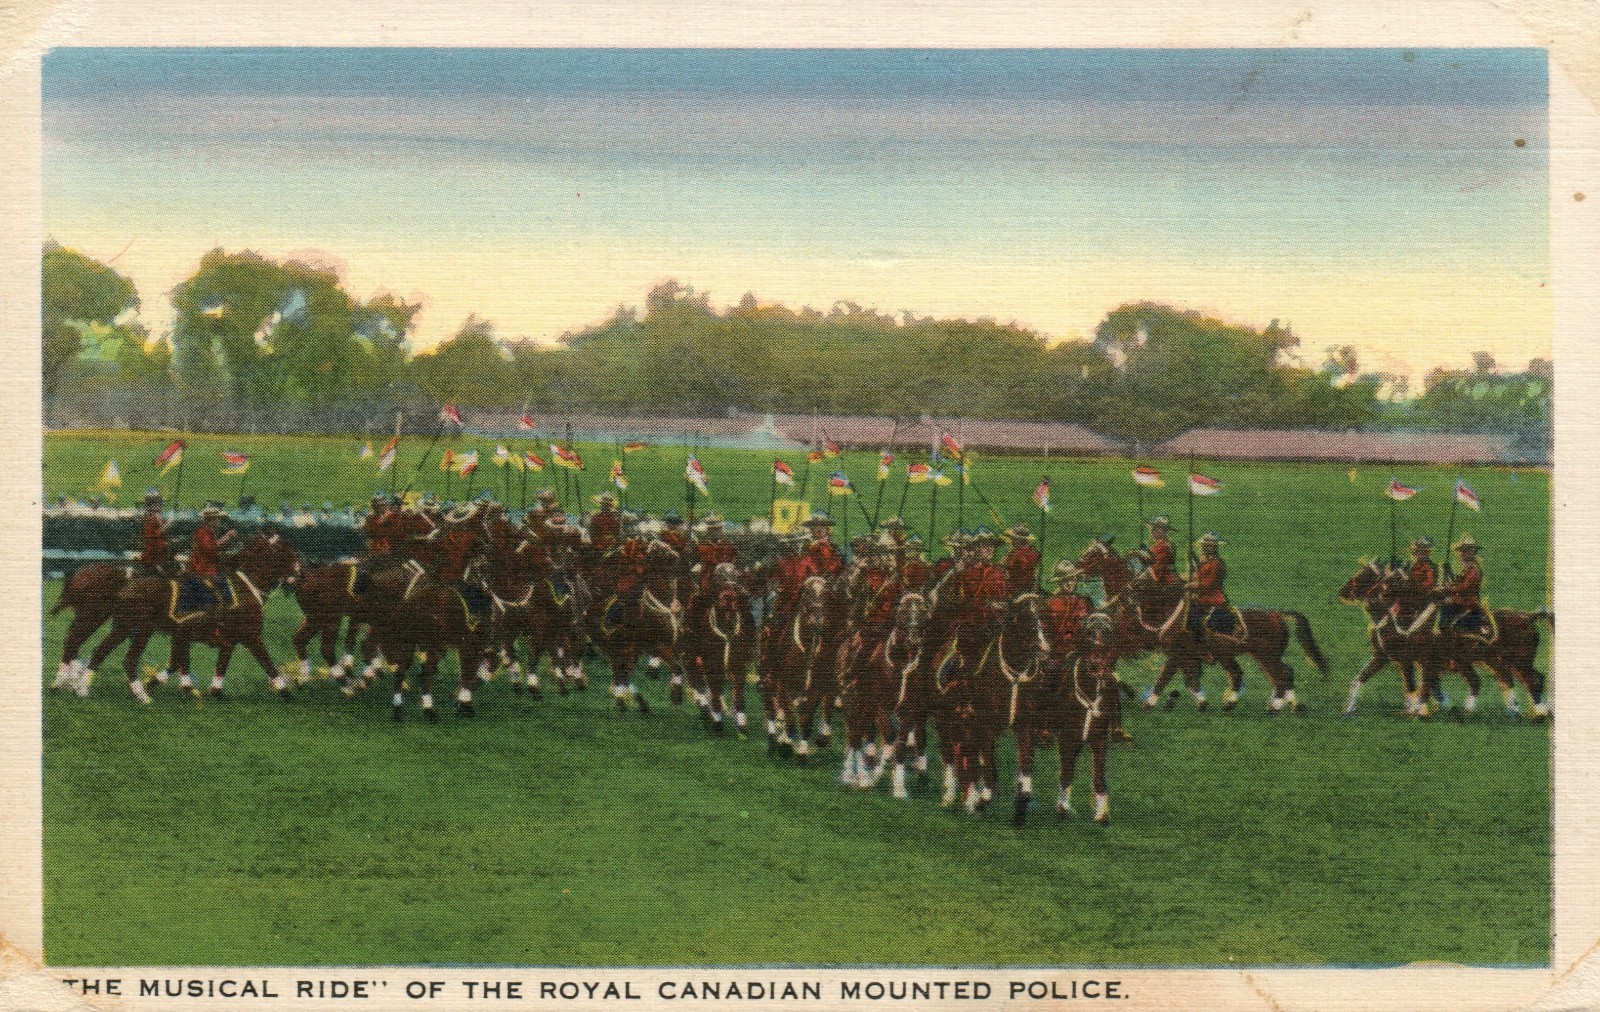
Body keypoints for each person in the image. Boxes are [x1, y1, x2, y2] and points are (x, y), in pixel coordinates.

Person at [1186, 532, 1233, 638]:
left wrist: (1192, 586)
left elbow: (1210, 584)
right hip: (1201, 597)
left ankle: (1201, 642)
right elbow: (1196, 577)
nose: (1206, 547)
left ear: (1214, 547)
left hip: (1212, 598)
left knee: (1193, 618)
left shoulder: (1216, 563)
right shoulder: (1204, 562)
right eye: (1205, 545)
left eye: (1209, 545)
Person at [1440, 535, 1486, 634]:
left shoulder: (1474, 570)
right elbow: (1457, 584)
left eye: (1467, 551)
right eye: (1463, 551)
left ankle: (1447, 634)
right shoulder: (1467, 569)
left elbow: (1465, 587)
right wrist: (1448, 575)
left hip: (1468, 603)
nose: (1463, 554)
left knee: (1447, 607)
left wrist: (1448, 589)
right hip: (1461, 600)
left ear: (1473, 553)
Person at [695, 514, 738, 593]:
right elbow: (696, 561)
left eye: (717, 529)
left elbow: (734, 562)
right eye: (712, 529)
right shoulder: (702, 546)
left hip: (723, 580)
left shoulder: (727, 546)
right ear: (708, 531)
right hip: (706, 580)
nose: (715, 532)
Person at [139, 489, 174, 575]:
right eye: (160, 504)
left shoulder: (156, 516)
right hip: (154, 553)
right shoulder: (150, 517)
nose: (162, 507)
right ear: (153, 506)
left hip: (159, 550)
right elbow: (154, 535)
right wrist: (168, 525)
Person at [1000, 523, 1041, 594]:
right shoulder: (1033, 551)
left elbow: (1004, 567)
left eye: (1013, 539)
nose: (1011, 541)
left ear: (1019, 540)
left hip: (1015, 588)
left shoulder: (1016, 555)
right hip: (1030, 586)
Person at [1145, 516, 1180, 585]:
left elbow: (1158, 569)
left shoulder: (1163, 546)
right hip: (1157, 576)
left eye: (1154, 529)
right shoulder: (1157, 545)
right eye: (1152, 529)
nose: (1151, 531)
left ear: (1161, 531)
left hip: (1164, 582)